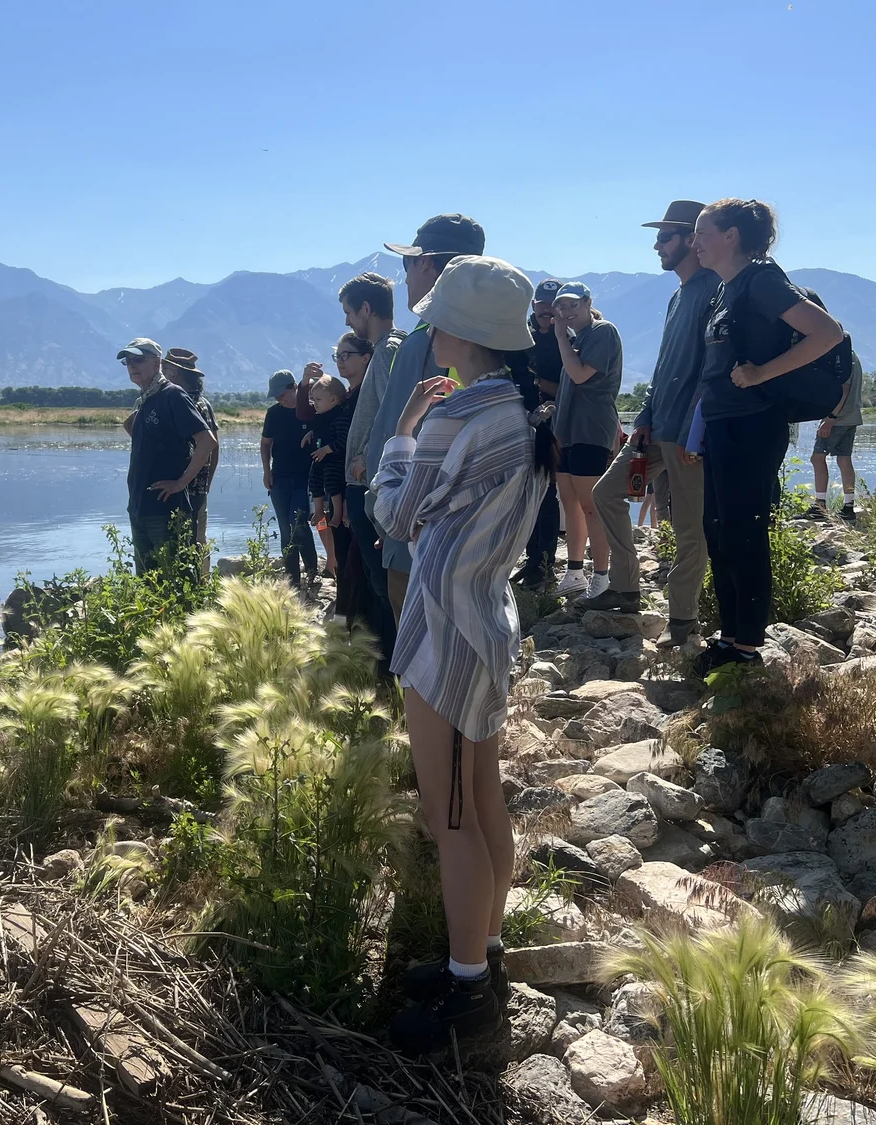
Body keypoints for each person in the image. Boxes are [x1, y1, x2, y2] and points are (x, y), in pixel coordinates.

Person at [371, 255, 549, 1054]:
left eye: (436, 315)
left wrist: (401, 435)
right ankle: (484, 952)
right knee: (481, 801)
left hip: (443, 630)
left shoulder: (458, 415)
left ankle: (468, 993)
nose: (427, 325)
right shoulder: (518, 408)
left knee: (449, 819)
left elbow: (395, 517)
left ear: (460, 331)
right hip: (486, 618)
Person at [689, 199, 845, 674]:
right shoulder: (724, 289)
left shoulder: (761, 280)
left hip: (753, 422)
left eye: (702, 232)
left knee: (743, 530)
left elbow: (827, 332)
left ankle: (747, 648)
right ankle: (730, 636)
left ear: (731, 235)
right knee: (717, 530)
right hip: (721, 423)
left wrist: (762, 374)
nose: (695, 241)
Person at [582, 201, 720, 649]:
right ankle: (625, 589)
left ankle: (683, 620)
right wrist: (643, 416)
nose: (656, 245)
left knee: (688, 528)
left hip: (688, 433)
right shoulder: (678, 294)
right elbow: (666, 367)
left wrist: (695, 433)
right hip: (658, 426)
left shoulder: (715, 289)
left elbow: (713, 368)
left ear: (690, 240)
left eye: (664, 237)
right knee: (606, 493)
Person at [367, 213, 487, 624]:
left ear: (428, 265)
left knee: (418, 660)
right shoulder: (483, 339)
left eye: (407, 265)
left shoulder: (431, 340)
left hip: (416, 529)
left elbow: (416, 437)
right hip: (455, 530)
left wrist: (386, 517)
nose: (404, 278)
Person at [339, 273, 407, 655]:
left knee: (383, 583)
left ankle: (394, 667)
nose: (348, 322)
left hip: (373, 481)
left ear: (367, 308)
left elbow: (393, 413)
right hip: (371, 481)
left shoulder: (386, 350)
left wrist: (368, 459)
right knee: (376, 579)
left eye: (350, 312)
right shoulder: (394, 348)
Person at [117, 338, 218, 574]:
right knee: (147, 581)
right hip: (140, 506)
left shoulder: (173, 395)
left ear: (156, 363)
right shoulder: (145, 399)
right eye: (128, 361)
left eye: (139, 359)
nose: (132, 366)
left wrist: (181, 483)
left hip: (165, 509)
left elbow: (207, 442)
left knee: (176, 578)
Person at [549, 282, 623, 599]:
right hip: (566, 433)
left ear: (587, 302)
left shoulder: (602, 332)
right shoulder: (577, 340)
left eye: (571, 305)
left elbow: (581, 375)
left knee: (591, 507)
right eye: (560, 307)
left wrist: (560, 338)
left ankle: (603, 577)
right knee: (570, 503)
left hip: (591, 431)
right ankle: (575, 572)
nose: (566, 312)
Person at [510, 279, 566, 589]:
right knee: (525, 492)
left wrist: (537, 383)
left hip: (552, 424)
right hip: (520, 422)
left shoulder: (566, 339)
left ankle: (545, 564)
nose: (546, 309)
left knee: (547, 494)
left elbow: (569, 387)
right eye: (542, 303)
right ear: (533, 305)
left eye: (553, 303)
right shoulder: (521, 336)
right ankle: (531, 560)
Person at [308, 365, 360, 618]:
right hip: (323, 459)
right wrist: (311, 435)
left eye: (317, 400)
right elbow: (312, 420)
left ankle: (335, 514)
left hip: (336, 463)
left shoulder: (341, 416)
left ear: (333, 400)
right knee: (314, 478)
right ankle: (320, 513)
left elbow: (341, 440)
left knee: (330, 481)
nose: (313, 404)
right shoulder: (324, 416)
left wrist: (326, 449)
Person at [162, 347, 220, 571]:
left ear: (174, 374)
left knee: (177, 543)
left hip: (177, 488)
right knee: (199, 540)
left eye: (164, 369)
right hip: (199, 488)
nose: (162, 373)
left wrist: (181, 482)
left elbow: (209, 443)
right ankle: (203, 588)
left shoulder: (176, 402)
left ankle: (185, 592)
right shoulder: (205, 404)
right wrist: (208, 482)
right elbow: (215, 447)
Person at [260, 370, 319, 586]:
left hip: (306, 477)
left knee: (299, 523)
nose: (280, 399)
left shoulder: (312, 409)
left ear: (294, 388)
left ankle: (312, 570)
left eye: (282, 394)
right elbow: (266, 443)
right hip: (280, 478)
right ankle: (292, 578)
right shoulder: (273, 414)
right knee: (286, 527)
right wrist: (267, 471)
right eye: (276, 396)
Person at [807, 351, 864, 521]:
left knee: (817, 458)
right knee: (844, 459)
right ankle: (848, 508)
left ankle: (820, 506)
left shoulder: (841, 356)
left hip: (837, 418)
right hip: (852, 416)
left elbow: (844, 390)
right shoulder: (854, 355)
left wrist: (830, 418)